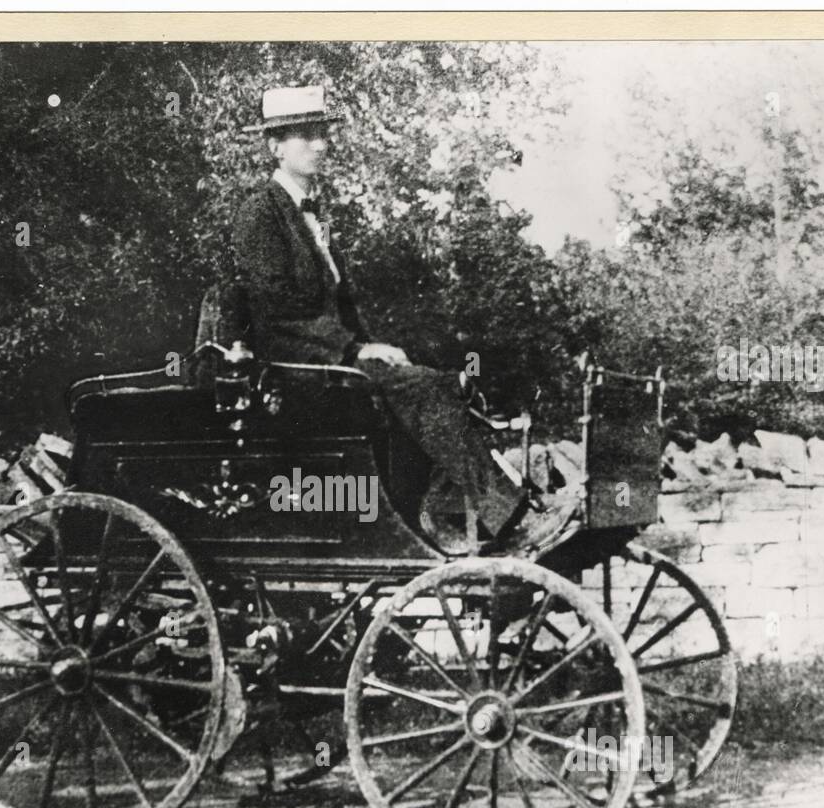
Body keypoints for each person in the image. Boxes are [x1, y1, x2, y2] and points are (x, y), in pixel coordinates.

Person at [229, 85, 576, 551]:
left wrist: (372, 346)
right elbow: (278, 310)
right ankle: (504, 515)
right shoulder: (260, 213)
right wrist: (354, 349)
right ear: (274, 146)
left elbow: (340, 306)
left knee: (444, 383)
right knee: (427, 387)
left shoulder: (316, 216)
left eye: (323, 134)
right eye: (305, 135)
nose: (320, 144)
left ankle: (450, 516)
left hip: (330, 357)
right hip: (296, 367)